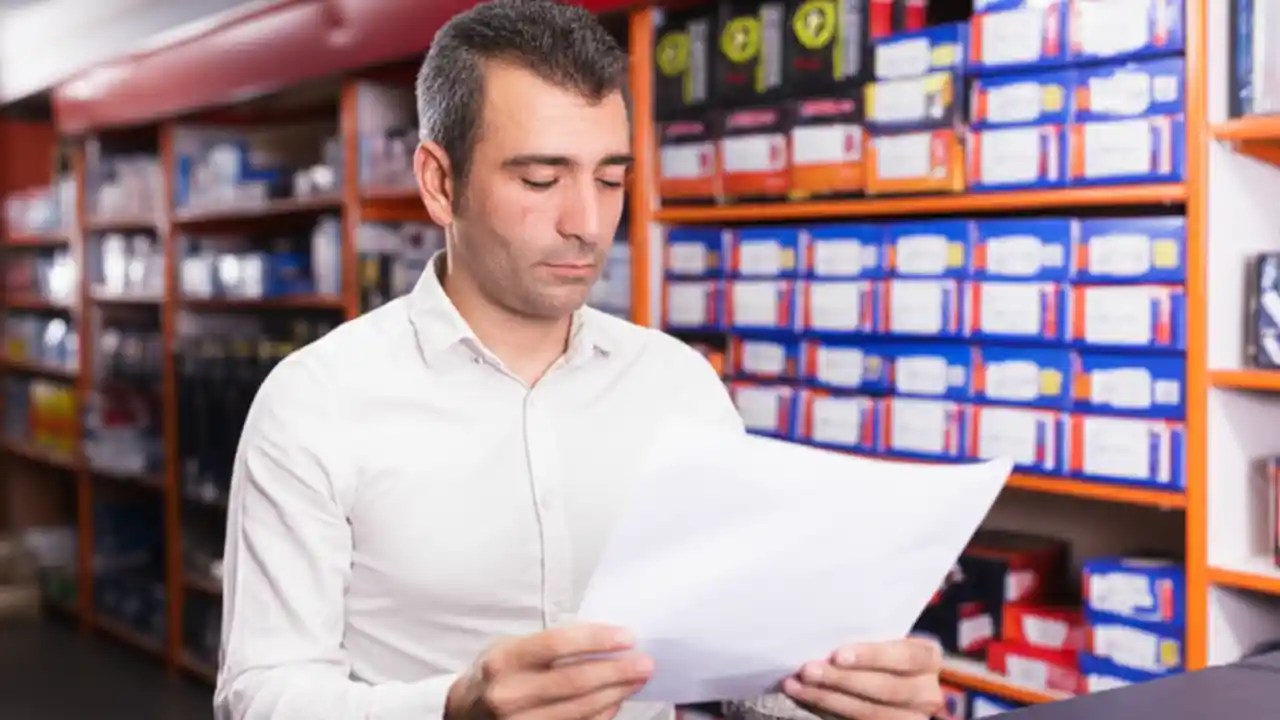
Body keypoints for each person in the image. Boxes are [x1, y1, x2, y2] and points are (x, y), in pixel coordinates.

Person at [213, 1, 944, 719]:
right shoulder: (316, 401)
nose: (588, 225)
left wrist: (832, 693)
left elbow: (735, 655)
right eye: (541, 180)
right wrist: (453, 707)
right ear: (439, 182)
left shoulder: (677, 385)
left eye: (610, 179)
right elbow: (260, 694)